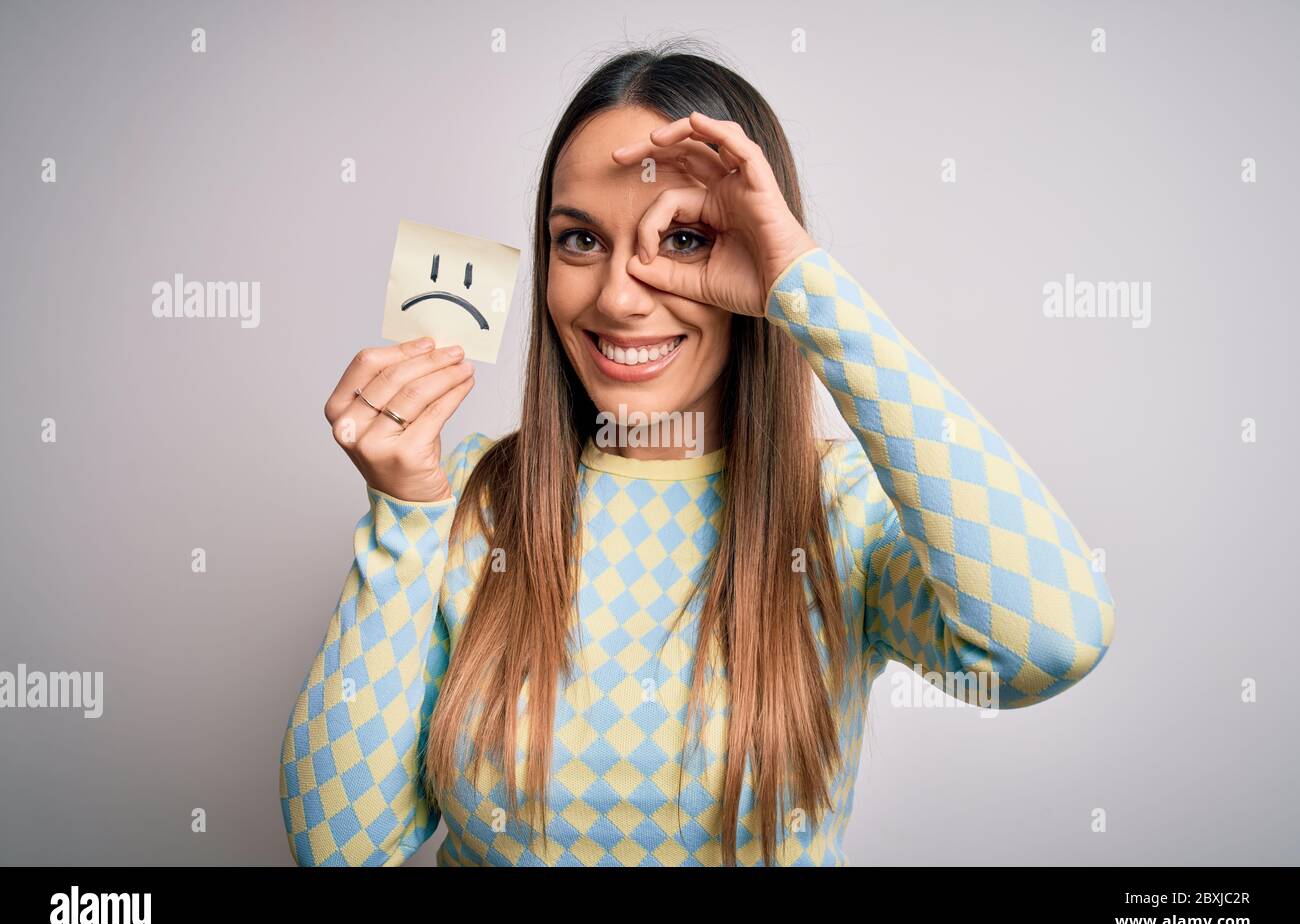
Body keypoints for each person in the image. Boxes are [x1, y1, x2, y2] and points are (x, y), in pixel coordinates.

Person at [279, 44, 1116, 867]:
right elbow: (339, 847)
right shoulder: (459, 495)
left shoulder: (839, 511)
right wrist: (404, 515)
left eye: (682, 240)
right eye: (578, 241)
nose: (615, 295)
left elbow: (1047, 646)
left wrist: (804, 289)